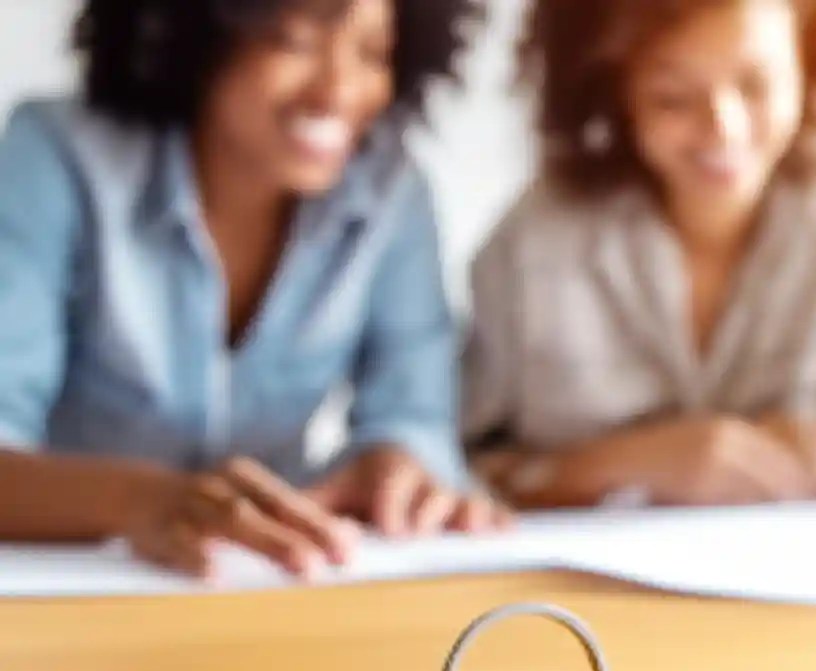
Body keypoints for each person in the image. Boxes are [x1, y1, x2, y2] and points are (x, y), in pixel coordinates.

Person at [0, 0, 509, 580]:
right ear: (197, 38)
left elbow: (415, 419)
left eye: (373, 54)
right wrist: (139, 501)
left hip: (273, 583)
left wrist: (399, 468)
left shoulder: (391, 193)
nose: (338, 91)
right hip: (72, 591)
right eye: (295, 43)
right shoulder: (57, 158)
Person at [465, 0, 816, 509]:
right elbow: (465, 469)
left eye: (755, 85)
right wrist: (630, 462)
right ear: (617, 89)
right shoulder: (534, 241)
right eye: (673, 99)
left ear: (809, 62)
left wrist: (761, 452)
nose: (724, 128)